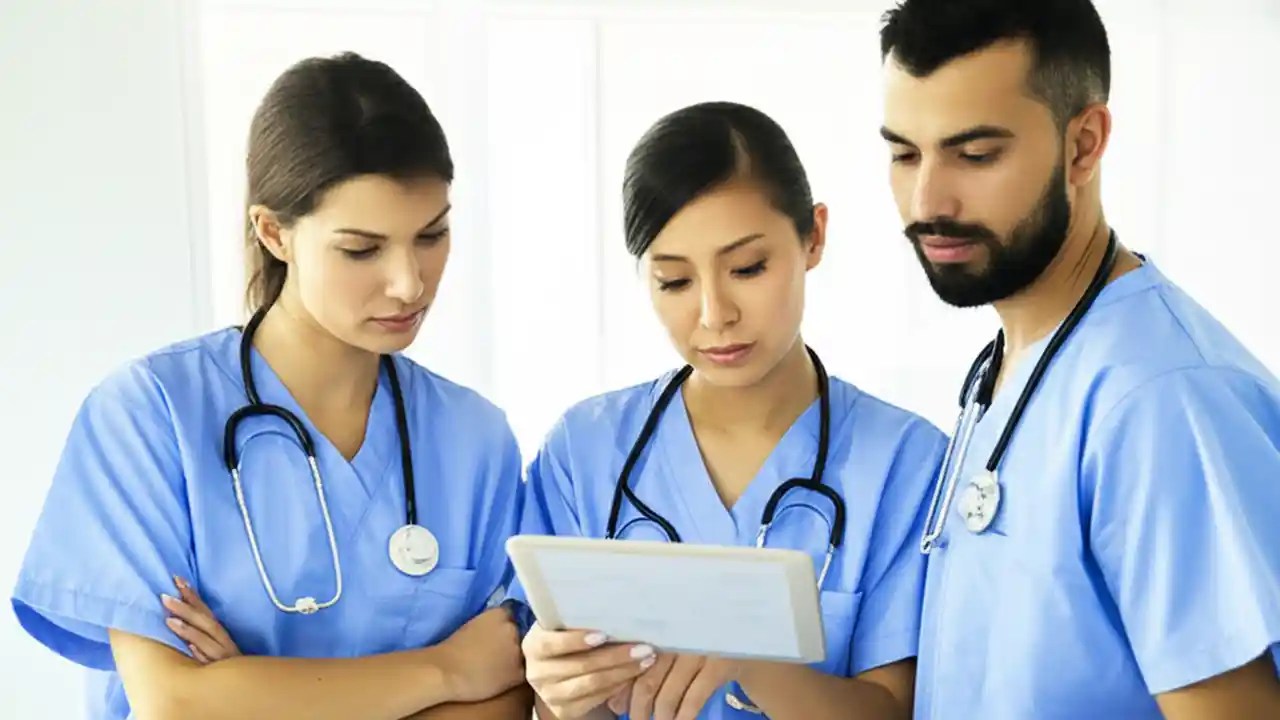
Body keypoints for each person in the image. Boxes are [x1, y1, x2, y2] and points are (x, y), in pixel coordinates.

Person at [11, 52, 532, 720]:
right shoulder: (151, 416)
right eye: (361, 249)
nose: (410, 282)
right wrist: (444, 669)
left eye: (431, 235)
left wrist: (254, 692)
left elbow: (506, 700)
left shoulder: (474, 441)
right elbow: (175, 702)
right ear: (273, 232)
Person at [877, 1, 1280, 718]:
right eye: (905, 153)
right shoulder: (1013, 362)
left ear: (1083, 145)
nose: (926, 199)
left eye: (974, 155)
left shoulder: (1160, 399)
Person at [511, 100, 948, 720]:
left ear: (813, 236)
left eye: (747, 268)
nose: (715, 315)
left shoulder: (906, 461)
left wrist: (747, 658)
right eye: (674, 281)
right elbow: (554, 698)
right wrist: (560, 695)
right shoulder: (584, 450)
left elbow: (896, 709)